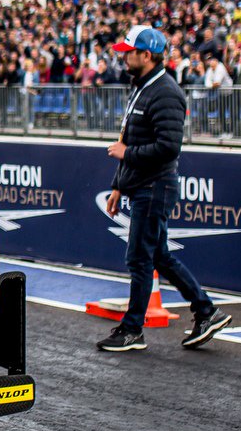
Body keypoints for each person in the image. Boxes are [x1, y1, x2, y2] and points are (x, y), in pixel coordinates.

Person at [97, 25, 231, 352]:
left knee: (140, 258)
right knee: (158, 255)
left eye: (129, 52)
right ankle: (206, 311)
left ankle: (133, 329)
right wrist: (118, 186)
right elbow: (131, 137)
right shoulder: (144, 87)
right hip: (144, 184)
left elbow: (168, 147)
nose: (124, 57)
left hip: (155, 186)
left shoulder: (165, 91)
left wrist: (127, 155)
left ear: (146, 55)